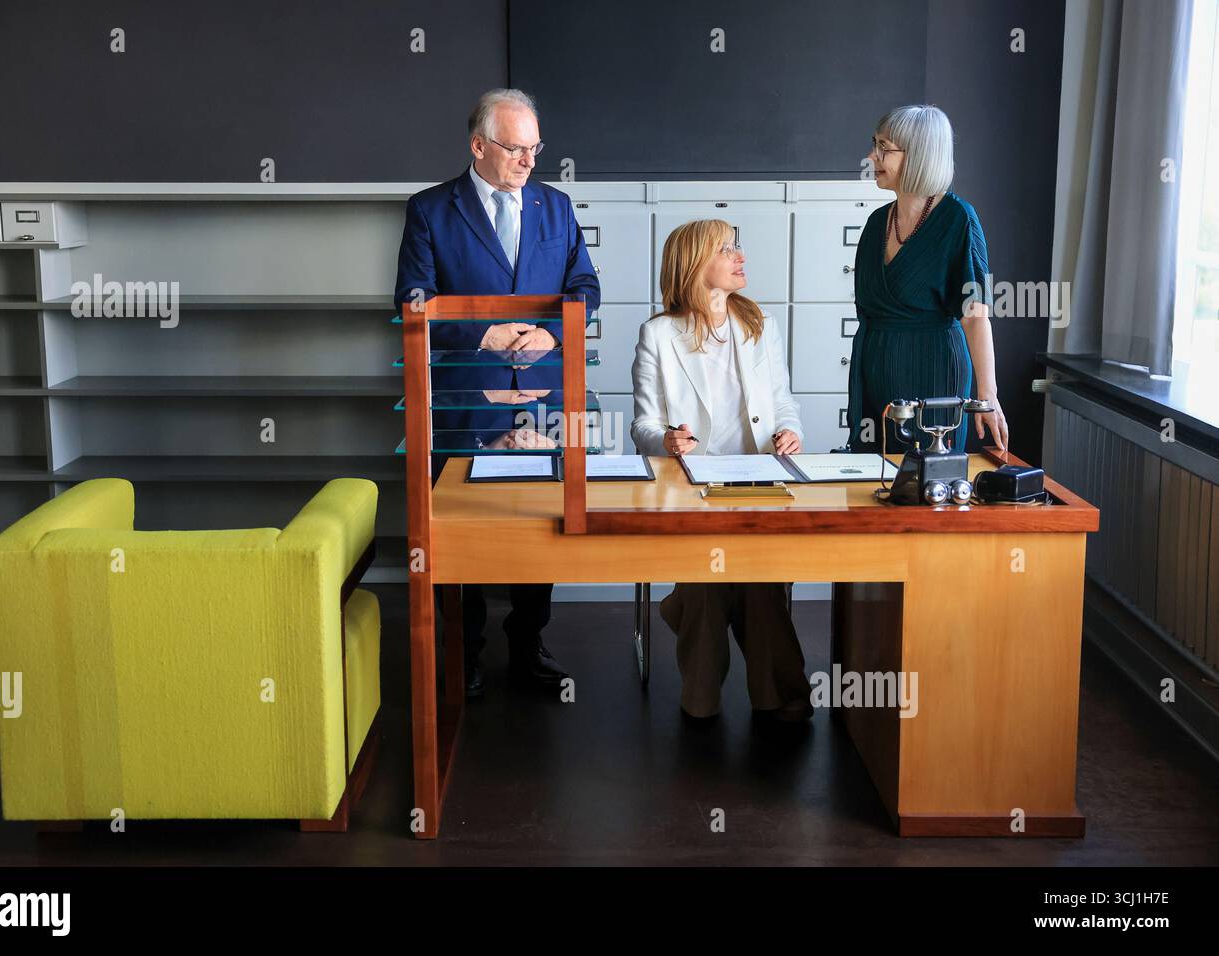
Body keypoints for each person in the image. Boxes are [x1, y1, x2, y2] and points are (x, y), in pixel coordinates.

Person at [394, 88, 601, 698]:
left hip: (541, 391)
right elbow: (411, 297)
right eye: (515, 148)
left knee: (538, 519)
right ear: (478, 145)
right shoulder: (431, 210)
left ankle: (527, 641)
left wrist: (552, 328)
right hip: (461, 398)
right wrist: (482, 334)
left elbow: (585, 285)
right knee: (460, 525)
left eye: (536, 148)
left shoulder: (555, 207)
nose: (529, 160)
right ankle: (465, 651)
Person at [631, 219, 813, 723]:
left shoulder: (760, 324)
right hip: (693, 487)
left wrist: (790, 433)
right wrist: (665, 440)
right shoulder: (659, 334)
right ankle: (720, 698)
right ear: (695, 264)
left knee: (749, 579)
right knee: (717, 580)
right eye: (727, 249)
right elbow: (643, 424)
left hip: (759, 480)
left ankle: (758, 694)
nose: (740, 256)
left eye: (738, 246)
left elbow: (783, 403)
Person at [847, 104, 1008, 454]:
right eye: (875, 144)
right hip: (875, 368)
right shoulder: (877, 223)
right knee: (870, 486)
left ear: (918, 155)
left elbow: (975, 313)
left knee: (929, 482)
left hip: (934, 371)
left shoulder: (957, 218)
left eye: (883, 148)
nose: (872, 156)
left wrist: (988, 394)